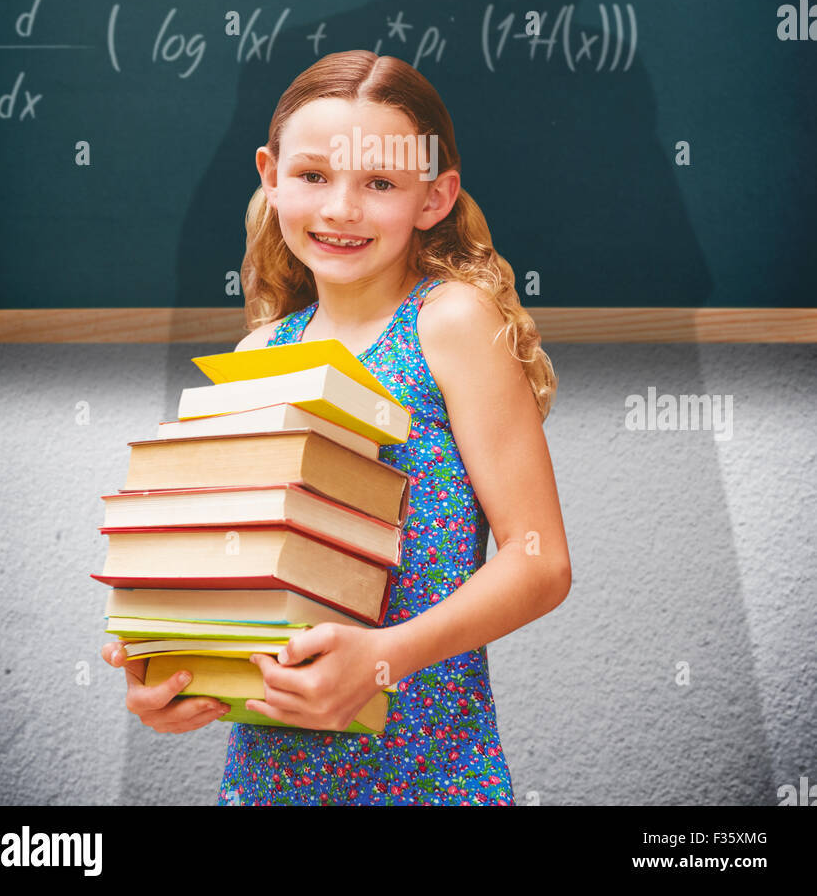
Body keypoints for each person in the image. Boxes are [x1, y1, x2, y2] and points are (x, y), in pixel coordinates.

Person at [103, 49, 571, 805]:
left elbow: (540, 561)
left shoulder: (449, 323)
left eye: (380, 182)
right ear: (271, 174)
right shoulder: (260, 352)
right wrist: (175, 665)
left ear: (434, 196)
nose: (341, 209)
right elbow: (244, 576)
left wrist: (382, 658)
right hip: (267, 779)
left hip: (430, 774)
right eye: (314, 175)